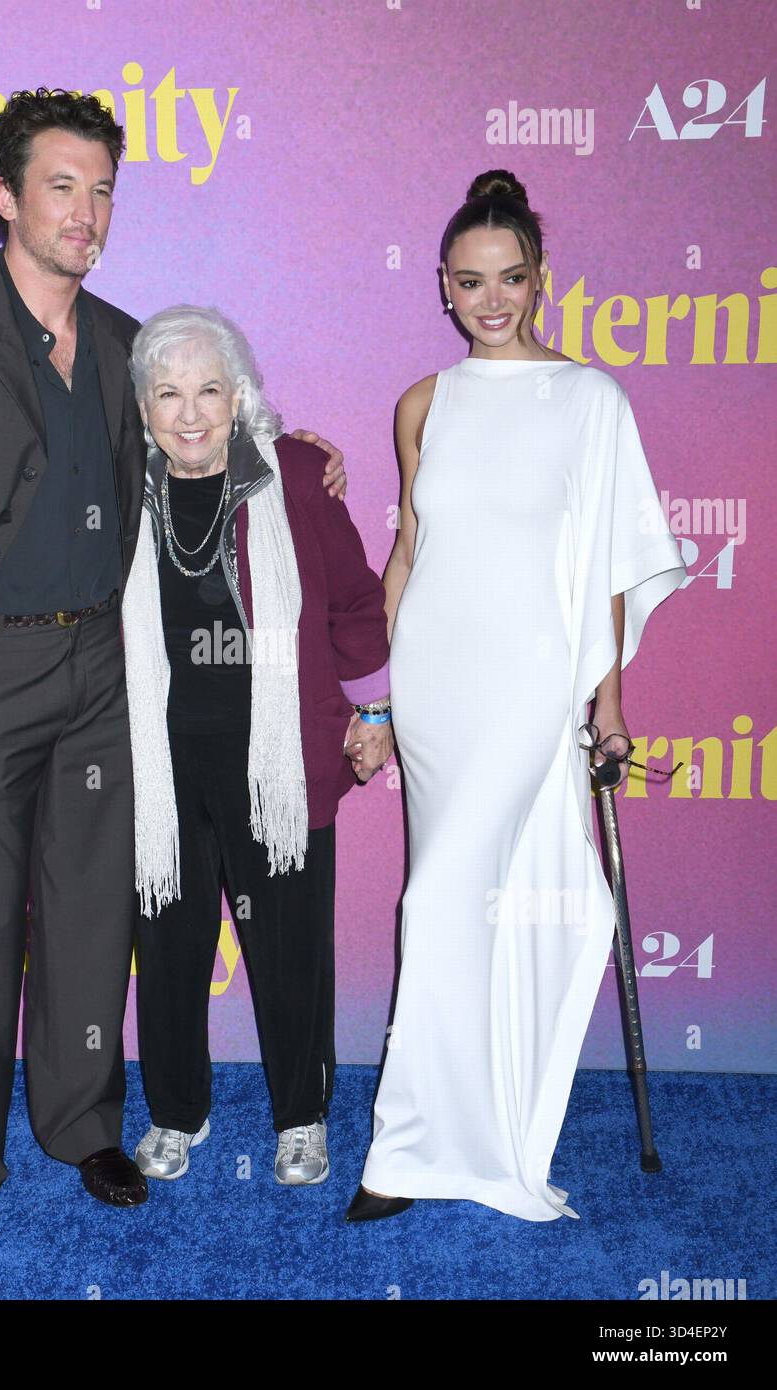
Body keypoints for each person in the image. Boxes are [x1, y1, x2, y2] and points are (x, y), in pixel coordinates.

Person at [0, 87, 346, 1255]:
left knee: (89, 918)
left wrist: (297, 449)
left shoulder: (122, 343)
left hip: (107, 672)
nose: (87, 209)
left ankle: (80, 1126)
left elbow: (199, 431)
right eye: (61, 185)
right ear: (5, 196)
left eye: (104, 186)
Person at [346, 169, 686, 1224]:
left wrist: (608, 704)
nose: (489, 299)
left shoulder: (591, 401)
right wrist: (375, 703)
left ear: (540, 280)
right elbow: (409, 551)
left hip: (530, 682)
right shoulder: (422, 401)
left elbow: (609, 572)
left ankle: (406, 1154)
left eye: (510, 278)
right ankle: (451, 1128)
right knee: (452, 906)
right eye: (467, 281)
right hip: (438, 684)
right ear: (442, 288)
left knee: (436, 901)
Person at [122, 306, 391, 1185]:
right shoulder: (118, 488)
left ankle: (301, 1120)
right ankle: (174, 1113)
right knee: (166, 947)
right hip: (159, 761)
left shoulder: (300, 477)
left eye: (208, 389)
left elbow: (357, 608)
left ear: (239, 397)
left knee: (289, 949)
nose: (190, 413)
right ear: (143, 405)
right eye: (168, 393)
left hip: (279, 760)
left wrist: (371, 711)